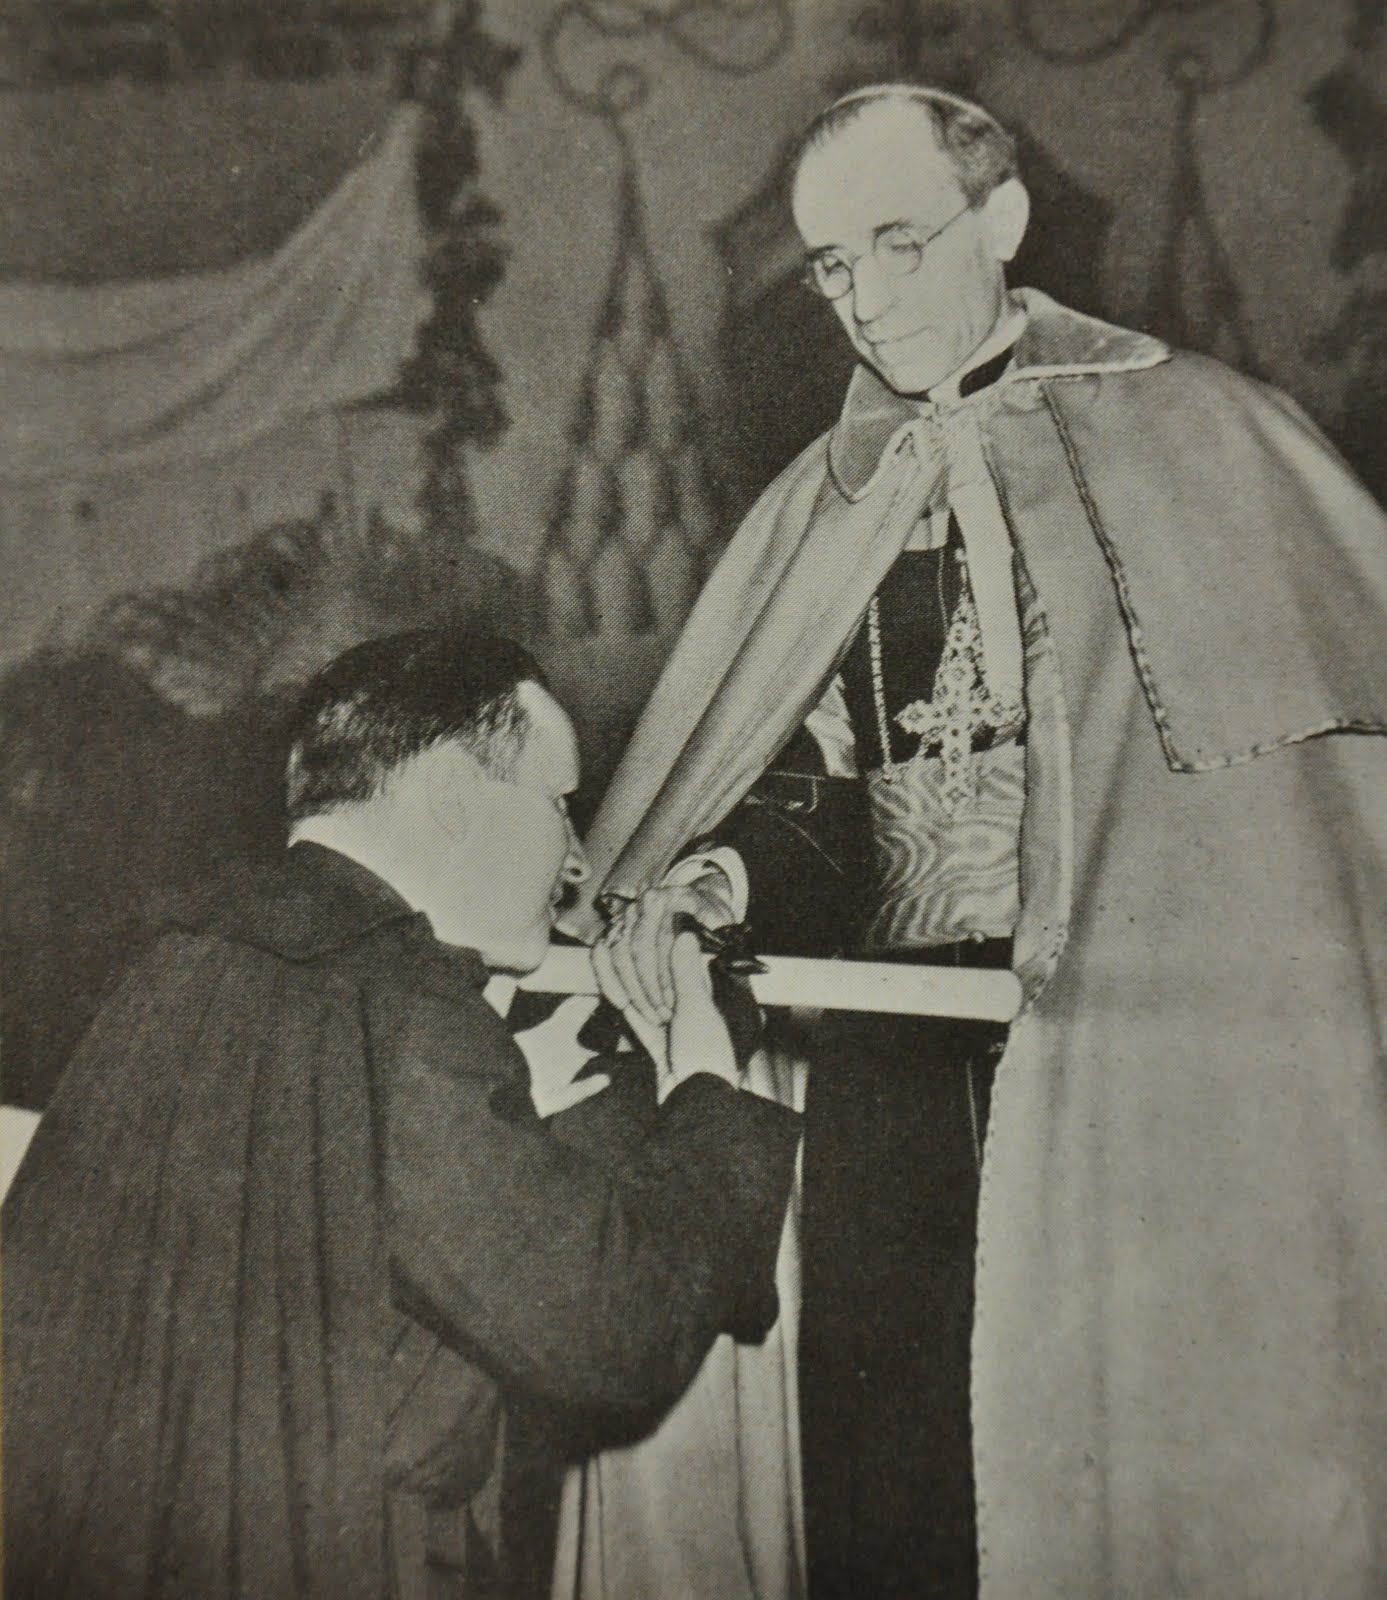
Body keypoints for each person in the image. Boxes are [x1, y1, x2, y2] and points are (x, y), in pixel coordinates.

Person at [577, 85, 1387, 1599]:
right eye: (829, 266)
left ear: (998, 220)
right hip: (890, 1074)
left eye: (897, 242)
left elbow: (1296, 819)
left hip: (1143, 1071)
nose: (865, 301)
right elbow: (799, 770)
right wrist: (722, 870)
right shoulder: (816, 505)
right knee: (896, 1480)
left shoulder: (1207, 436)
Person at [2, 628, 802, 1600]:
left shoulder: (179, 959)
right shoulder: (404, 1010)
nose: (579, 867)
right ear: (455, 794)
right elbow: (613, 1332)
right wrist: (703, 1076)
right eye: (558, 803)